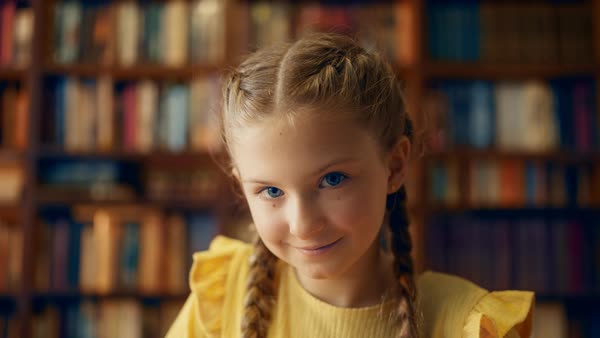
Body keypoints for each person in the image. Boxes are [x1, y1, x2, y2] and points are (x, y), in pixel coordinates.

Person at [166, 33, 534, 338]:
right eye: (271, 191)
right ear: (240, 185)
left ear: (394, 166)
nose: (303, 224)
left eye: (332, 180)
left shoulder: (463, 324)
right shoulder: (218, 299)